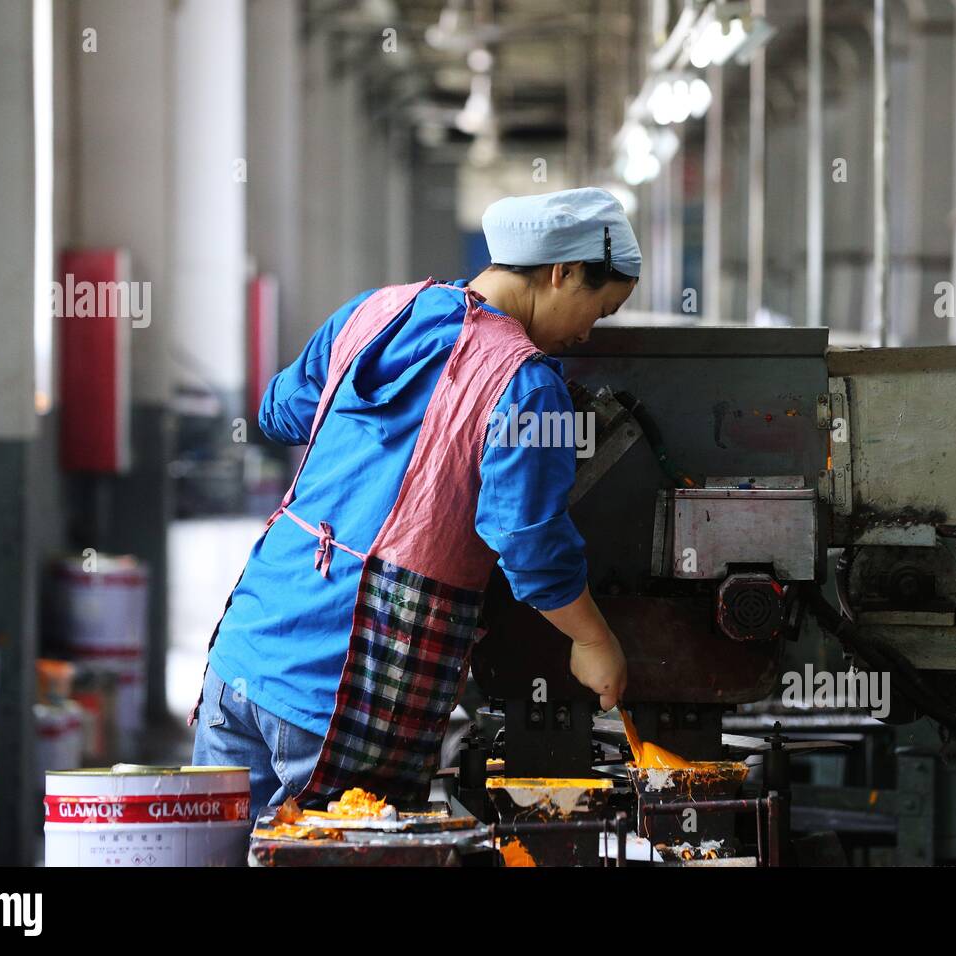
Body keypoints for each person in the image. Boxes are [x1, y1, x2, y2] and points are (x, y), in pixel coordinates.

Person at [190, 187, 639, 816]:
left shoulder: (376, 312)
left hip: (246, 652)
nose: (590, 332)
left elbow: (280, 409)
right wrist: (593, 641)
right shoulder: (526, 383)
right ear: (562, 273)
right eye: (601, 307)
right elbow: (528, 540)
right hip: (343, 688)